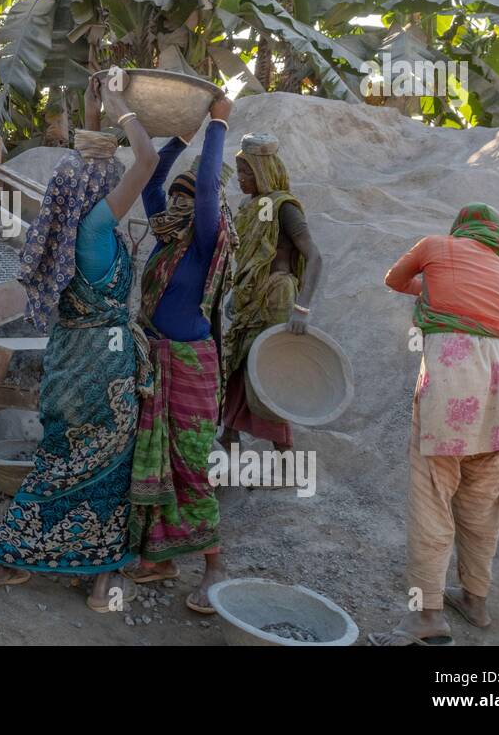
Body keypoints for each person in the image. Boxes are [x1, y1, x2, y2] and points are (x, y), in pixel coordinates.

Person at [0, 77, 157, 612]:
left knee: (57, 464)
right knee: (107, 477)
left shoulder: (66, 233)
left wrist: (94, 101)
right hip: (106, 377)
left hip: (66, 369)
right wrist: (123, 109)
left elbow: (111, 165)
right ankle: (100, 583)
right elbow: (145, 162)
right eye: (112, 183)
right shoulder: (97, 229)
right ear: (99, 189)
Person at [370, 203, 499, 646]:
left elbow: (394, 280)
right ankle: (476, 600)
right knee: (482, 501)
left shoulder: (435, 246)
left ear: (460, 227)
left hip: (455, 379)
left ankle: (427, 616)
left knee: (433, 497)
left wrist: (431, 290)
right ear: (496, 236)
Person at [123, 96, 237, 614]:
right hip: (157, 360)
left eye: (188, 200)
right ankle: (160, 558)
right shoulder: (171, 234)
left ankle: (214, 569)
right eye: (180, 199)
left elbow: (210, 187)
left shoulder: (205, 241)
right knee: (153, 463)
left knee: (189, 467)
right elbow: (150, 181)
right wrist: (184, 133)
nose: (177, 205)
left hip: (191, 364)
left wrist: (217, 123)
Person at [219, 133, 322, 455]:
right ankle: (229, 435)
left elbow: (315, 257)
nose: (241, 179)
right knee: (237, 365)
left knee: (266, 368)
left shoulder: (283, 206)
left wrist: (301, 308)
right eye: (239, 172)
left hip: (277, 295)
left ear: (264, 171)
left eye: (247, 172)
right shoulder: (247, 206)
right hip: (248, 298)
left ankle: (283, 448)